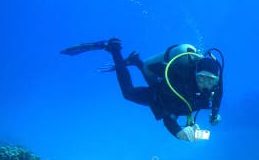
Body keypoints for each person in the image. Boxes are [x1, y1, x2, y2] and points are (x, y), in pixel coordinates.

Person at [61, 38, 223, 141]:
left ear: (216, 80)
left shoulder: (216, 88)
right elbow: (166, 113)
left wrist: (214, 116)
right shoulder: (181, 78)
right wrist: (178, 133)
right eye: (202, 77)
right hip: (163, 92)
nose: (205, 84)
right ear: (195, 74)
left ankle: (136, 61)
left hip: (167, 89)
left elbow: (217, 100)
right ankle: (114, 49)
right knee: (129, 93)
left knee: (155, 82)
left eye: (211, 80)